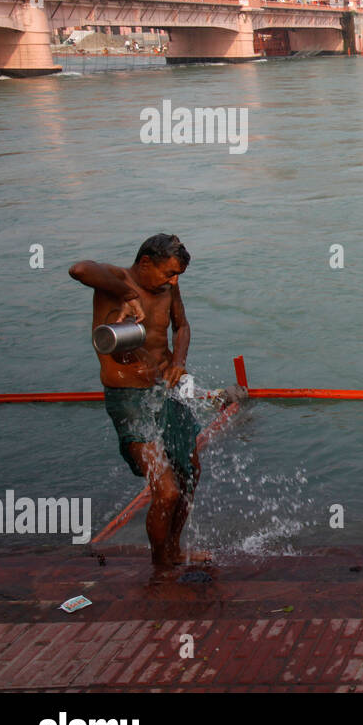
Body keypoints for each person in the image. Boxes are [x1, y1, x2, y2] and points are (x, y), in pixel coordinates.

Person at [69, 234, 213, 568]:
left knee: (189, 473)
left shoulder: (169, 288)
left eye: (177, 275)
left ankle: (173, 550)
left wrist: (179, 362)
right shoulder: (116, 281)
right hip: (130, 399)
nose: (173, 281)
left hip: (165, 392)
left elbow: (183, 326)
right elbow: (79, 269)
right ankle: (161, 566)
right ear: (145, 262)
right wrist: (128, 294)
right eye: (168, 273)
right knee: (167, 490)